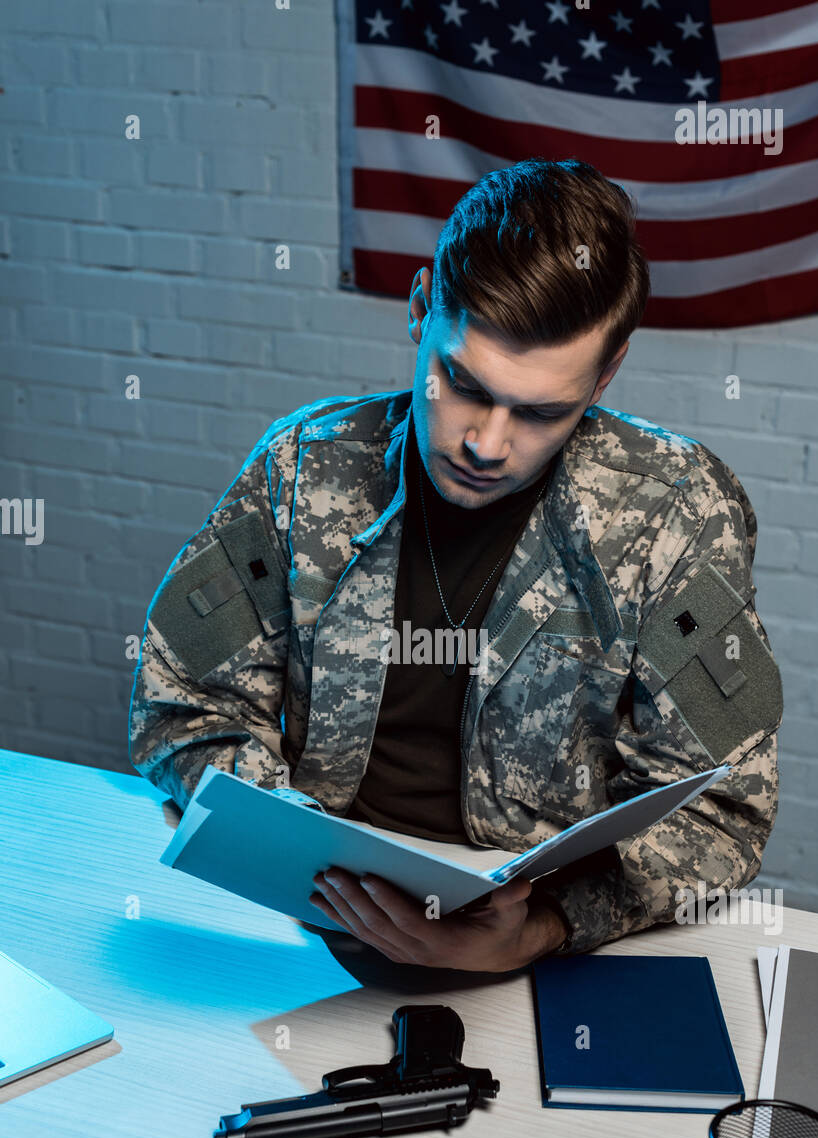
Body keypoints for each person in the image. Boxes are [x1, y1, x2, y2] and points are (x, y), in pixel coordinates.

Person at [129, 158, 781, 972]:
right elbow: (182, 702)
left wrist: (540, 930)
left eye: (543, 411)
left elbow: (722, 809)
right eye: (462, 383)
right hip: (301, 929)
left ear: (606, 374)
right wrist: (293, 850)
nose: (486, 444)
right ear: (418, 309)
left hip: (535, 956)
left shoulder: (677, 516)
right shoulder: (303, 467)